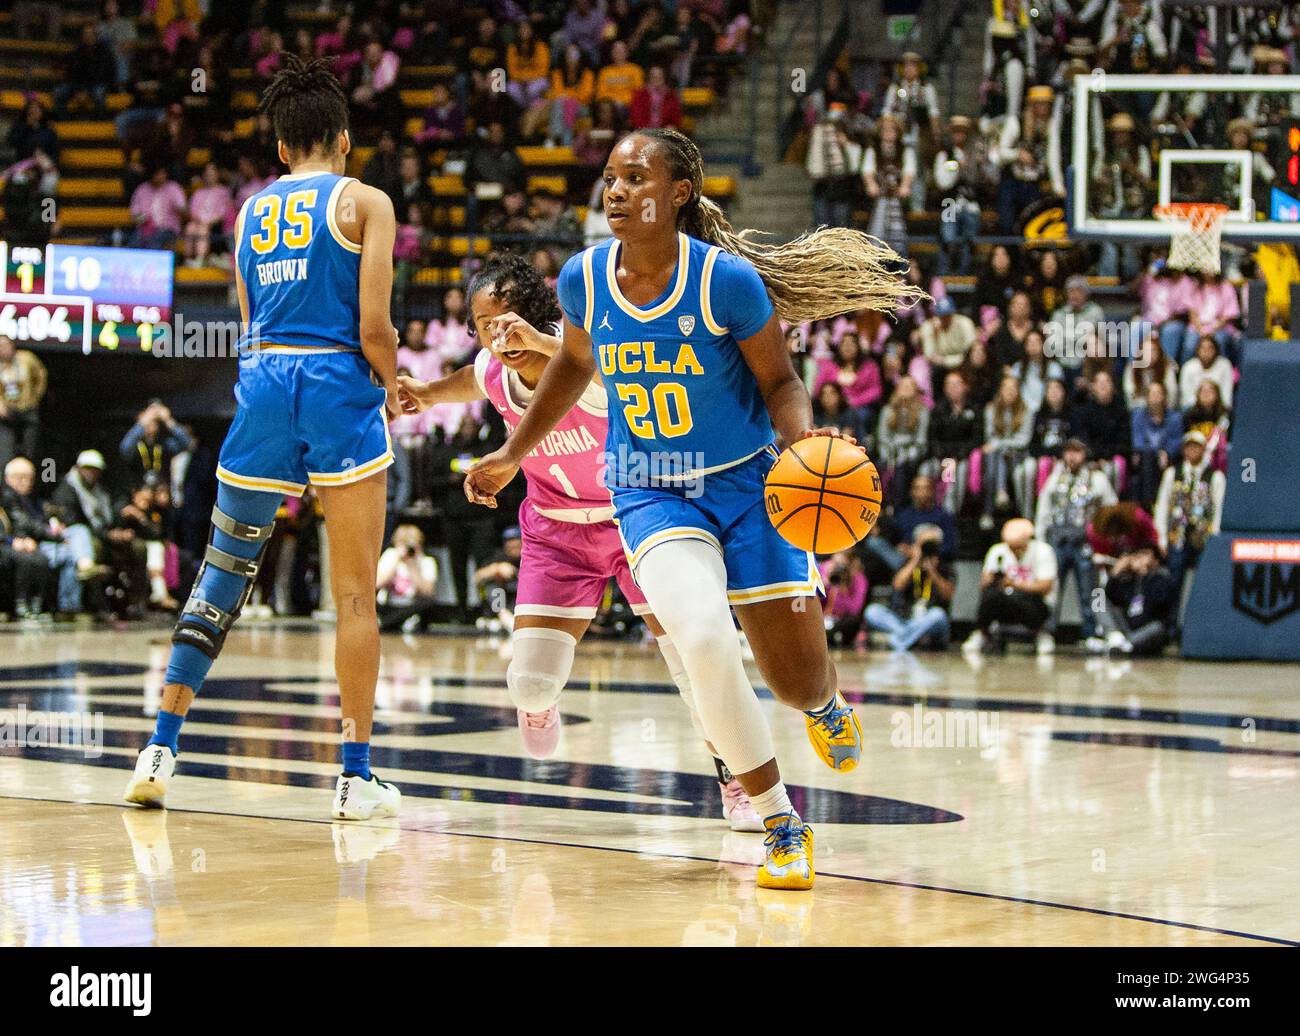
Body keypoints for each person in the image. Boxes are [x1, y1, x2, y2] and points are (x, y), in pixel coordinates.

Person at [462, 127, 919, 890]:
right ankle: (778, 819)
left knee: (797, 681)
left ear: (679, 195)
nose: (616, 190)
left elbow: (781, 383)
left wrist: (803, 449)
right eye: (610, 176)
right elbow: (572, 367)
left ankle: (826, 701)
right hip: (650, 489)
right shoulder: (582, 279)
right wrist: (512, 453)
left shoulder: (726, 283)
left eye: (636, 177)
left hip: (749, 486)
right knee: (704, 637)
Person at [123, 56, 403, 822]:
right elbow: (375, 327)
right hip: (337, 389)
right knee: (353, 597)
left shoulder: (248, 213)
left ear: (280, 149)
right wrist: (394, 380)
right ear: (343, 139)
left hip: (265, 386)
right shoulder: (365, 202)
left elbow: (250, 324)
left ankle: (159, 748)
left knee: (220, 574)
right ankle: (353, 776)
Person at [399, 253, 764, 830]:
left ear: (540, 315)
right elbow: (471, 379)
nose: (501, 335)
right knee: (529, 684)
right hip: (555, 534)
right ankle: (540, 703)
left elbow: (594, 367)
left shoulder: (589, 361)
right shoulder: (495, 370)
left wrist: (546, 345)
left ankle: (737, 781)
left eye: (511, 319)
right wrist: (425, 392)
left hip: (633, 520)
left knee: (694, 665)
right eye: (486, 325)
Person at [1034, 438, 1116, 652]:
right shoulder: (1055, 478)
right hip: (1058, 540)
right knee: (1052, 588)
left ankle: (1093, 631)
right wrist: (1041, 539)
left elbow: (1110, 510)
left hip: (1085, 542)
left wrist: (1103, 541)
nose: (1072, 456)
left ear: (1085, 454)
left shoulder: (1097, 479)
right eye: (1068, 451)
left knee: (1091, 589)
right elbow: (1043, 508)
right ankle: (1047, 631)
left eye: (1077, 452)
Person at [965, 517, 1059, 656]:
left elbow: (1046, 586)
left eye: (1019, 547)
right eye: (1011, 547)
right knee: (991, 596)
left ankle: (1042, 634)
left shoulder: (1043, 551)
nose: (1015, 551)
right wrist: (991, 579)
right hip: (1004, 600)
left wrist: (1016, 584)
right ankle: (982, 633)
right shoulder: (997, 551)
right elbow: (984, 585)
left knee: (1022, 600)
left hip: (1033, 603)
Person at [1153, 430, 1225, 599]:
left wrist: (1215, 537)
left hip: (1203, 536)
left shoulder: (1215, 476)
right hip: (1177, 535)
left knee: (1205, 582)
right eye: (1188, 447)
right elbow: (1162, 504)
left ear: (1203, 449)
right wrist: (1161, 536)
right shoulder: (1173, 474)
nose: (1192, 451)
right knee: (1174, 582)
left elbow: (1218, 508)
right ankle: (1172, 622)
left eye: (1196, 447)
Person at [866, 523, 954, 651]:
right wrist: (915, 560)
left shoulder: (945, 567)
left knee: (938, 615)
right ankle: (912, 637)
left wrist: (932, 571)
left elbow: (948, 595)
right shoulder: (907, 563)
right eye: (923, 545)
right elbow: (898, 585)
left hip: (928, 620)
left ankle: (899, 640)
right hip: (904, 618)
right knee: (872, 611)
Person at [376, 524, 440, 632]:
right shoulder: (391, 555)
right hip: (389, 605)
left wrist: (412, 566)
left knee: (429, 603)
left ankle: (389, 622)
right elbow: (377, 584)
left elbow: (427, 592)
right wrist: (396, 560)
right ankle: (396, 621)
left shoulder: (427, 561)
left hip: (411, 606)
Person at [0, 334, 47, 465]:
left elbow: (41, 375)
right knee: (5, 452)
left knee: (30, 450)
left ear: (12, 345)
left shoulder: (26, 358)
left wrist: (36, 396)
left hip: (28, 408)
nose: (3, 349)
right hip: (7, 412)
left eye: (5, 345)